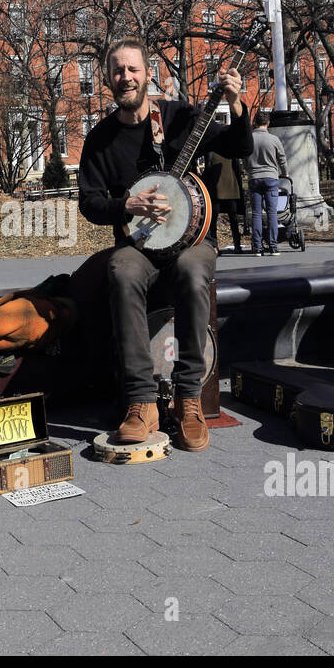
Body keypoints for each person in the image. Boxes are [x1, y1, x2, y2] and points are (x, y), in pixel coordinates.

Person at [78, 36, 252, 453]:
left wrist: (238, 104)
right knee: (121, 271)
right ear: (107, 78)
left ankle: (188, 397)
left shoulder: (178, 117)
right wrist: (127, 205)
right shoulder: (99, 140)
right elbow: (89, 203)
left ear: (147, 73)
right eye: (118, 70)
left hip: (193, 238)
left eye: (133, 69)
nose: (126, 77)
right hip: (139, 244)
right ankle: (141, 402)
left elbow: (239, 147)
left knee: (193, 274)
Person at [246, 111, 288, 256]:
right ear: (268, 123)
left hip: (254, 178)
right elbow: (282, 158)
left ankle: (257, 247)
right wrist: (285, 172)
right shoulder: (274, 139)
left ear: (254, 122)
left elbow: (243, 157)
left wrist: (248, 169)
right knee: (272, 213)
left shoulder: (249, 138)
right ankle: (273, 246)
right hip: (271, 178)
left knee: (256, 213)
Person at [203, 151, 246, 253]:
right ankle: (237, 246)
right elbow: (237, 170)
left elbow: (208, 169)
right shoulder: (231, 152)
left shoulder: (211, 152)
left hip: (216, 189)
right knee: (233, 219)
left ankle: (214, 246)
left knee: (213, 220)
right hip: (231, 189)